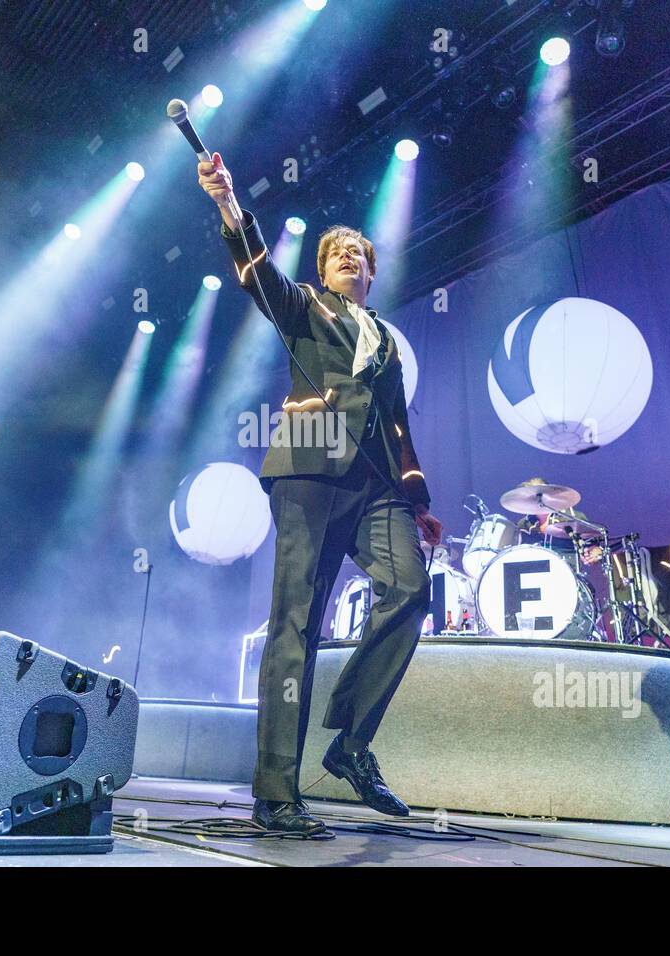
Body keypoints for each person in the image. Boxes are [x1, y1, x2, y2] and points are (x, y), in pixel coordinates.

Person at [199, 151, 443, 835]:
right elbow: (258, 274)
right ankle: (277, 791)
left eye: (354, 254)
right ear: (323, 270)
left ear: (370, 272)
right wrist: (227, 203)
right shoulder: (303, 307)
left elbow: (397, 425)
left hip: (376, 488)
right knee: (295, 627)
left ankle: (349, 744)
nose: (342, 258)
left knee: (411, 591)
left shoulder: (388, 342)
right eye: (332, 253)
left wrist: (417, 502)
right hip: (308, 472)